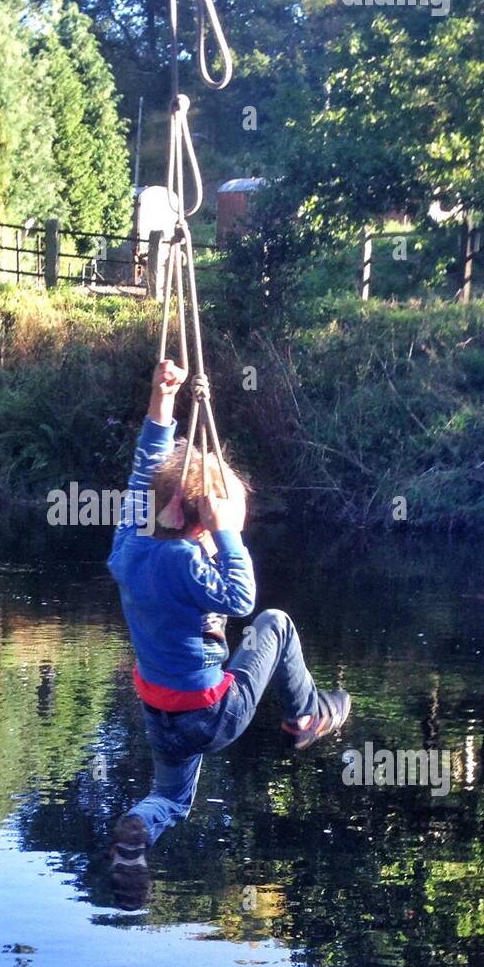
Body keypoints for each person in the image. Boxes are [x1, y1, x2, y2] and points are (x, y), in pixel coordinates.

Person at [106, 359, 351, 890]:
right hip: (212, 714)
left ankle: (136, 834)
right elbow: (241, 598)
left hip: (159, 709)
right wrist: (229, 534)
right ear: (202, 523)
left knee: (170, 799)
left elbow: (146, 465)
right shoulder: (188, 563)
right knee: (277, 624)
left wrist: (162, 399)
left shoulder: (130, 544)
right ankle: (306, 717)